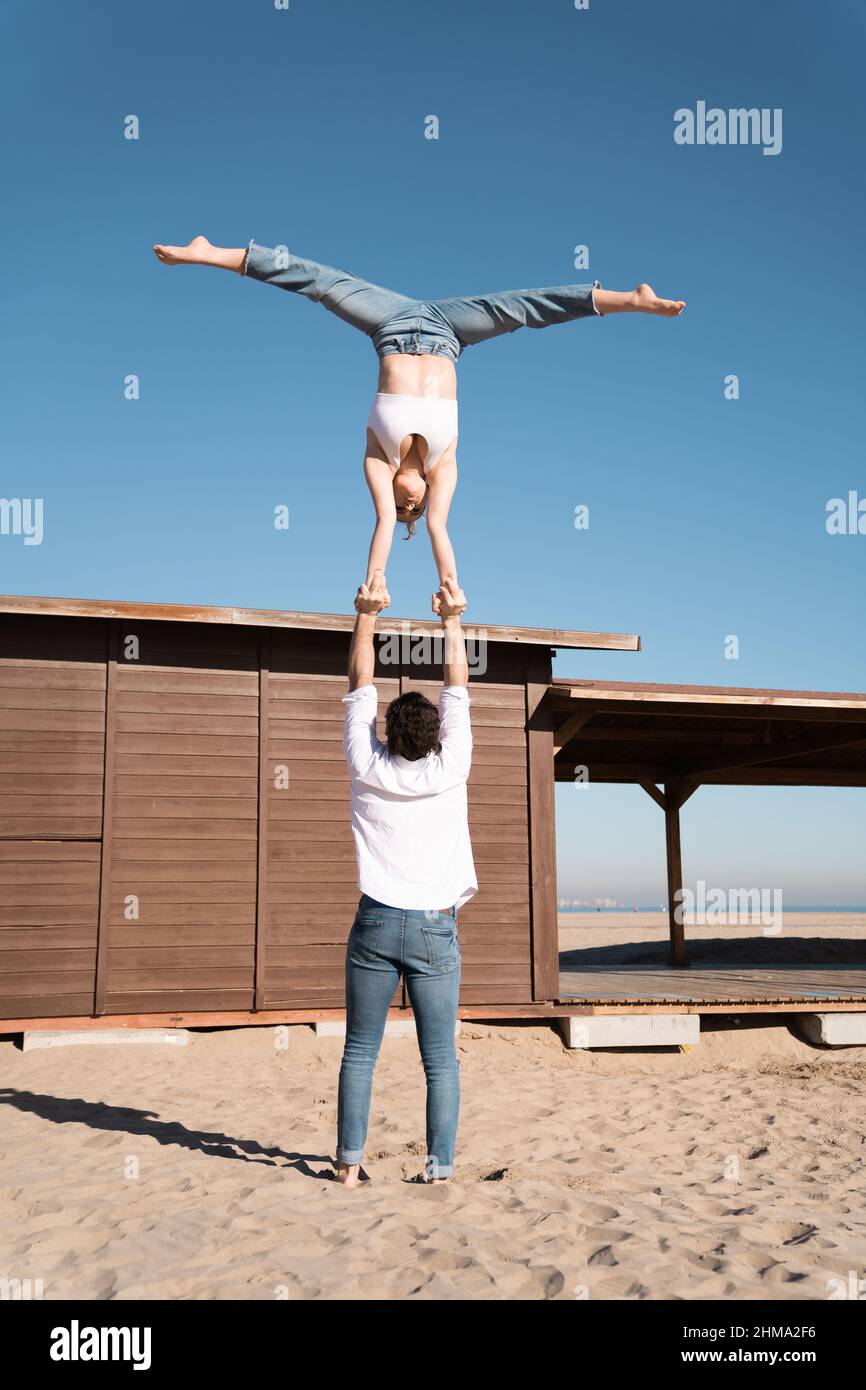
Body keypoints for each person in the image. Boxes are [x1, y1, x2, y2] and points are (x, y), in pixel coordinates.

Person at [153, 236, 685, 589]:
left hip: (389, 325)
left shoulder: (378, 460)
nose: (405, 508)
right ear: (424, 497)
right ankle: (629, 299)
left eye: (402, 510)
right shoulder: (444, 466)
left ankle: (208, 254)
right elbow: (439, 530)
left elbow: (382, 518)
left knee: (322, 282)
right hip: (448, 331)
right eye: (413, 509)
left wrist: (375, 578)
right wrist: (450, 583)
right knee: (524, 308)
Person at [335, 569, 475, 1186]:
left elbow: (359, 680)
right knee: (440, 1060)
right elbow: (456, 684)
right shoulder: (453, 767)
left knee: (360, 1052)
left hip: (374, 921)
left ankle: (347, 1167)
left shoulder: (366, 764)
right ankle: (439, 1169)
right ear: (438, 736)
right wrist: (451, 619)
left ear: (388, 734)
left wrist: (366, 611)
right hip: (433, 928)